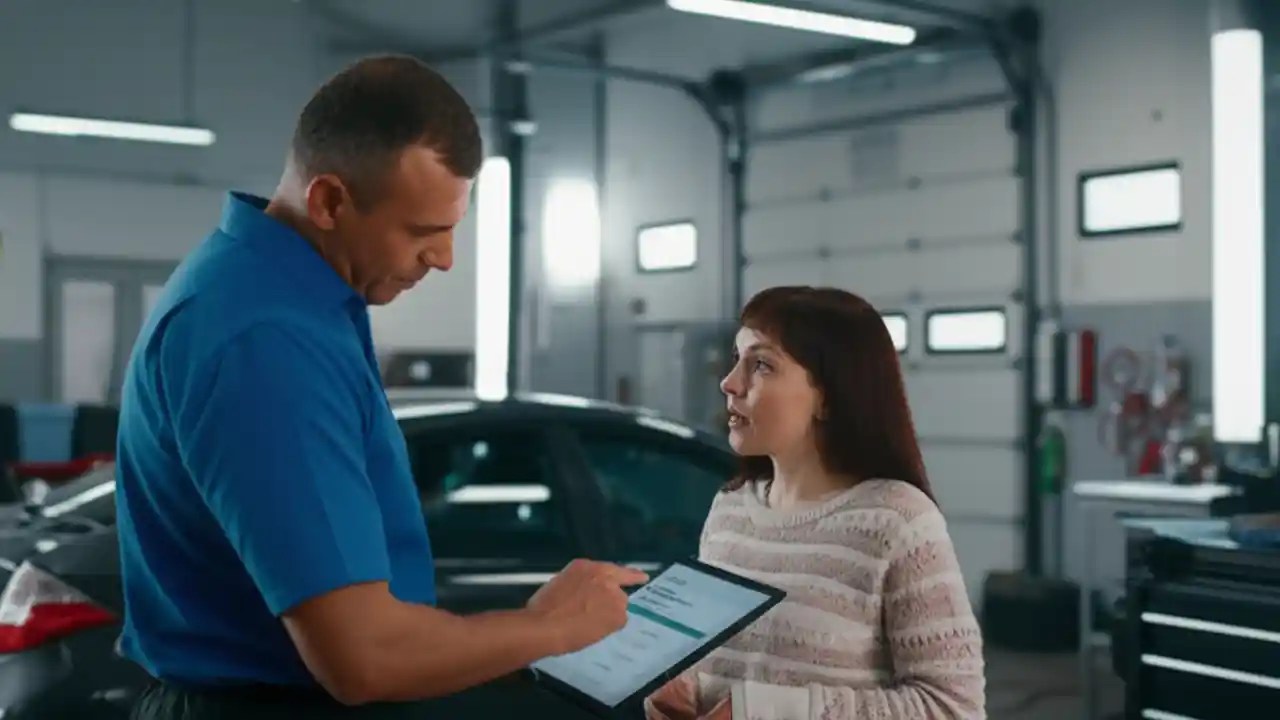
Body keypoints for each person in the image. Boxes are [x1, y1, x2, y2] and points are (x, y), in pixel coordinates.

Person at [115, 55, 647, 719]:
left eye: (453, 227)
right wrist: (555, 627)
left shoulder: (275, 293)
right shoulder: (267, 338)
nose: (446, 258)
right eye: (424, 232)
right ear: (330, 200)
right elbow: (363, 658)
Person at [646, 286, 986, 720]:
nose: (729, 383)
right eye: (737, 360)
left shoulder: (897, 520)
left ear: (828, 395)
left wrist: (762, 713)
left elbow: (953, 708)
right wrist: (684, 693)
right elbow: (723, 667)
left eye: (762, 365)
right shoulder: (730, 510)